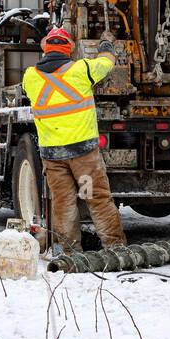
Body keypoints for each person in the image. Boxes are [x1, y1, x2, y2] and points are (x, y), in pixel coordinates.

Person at [22, 26, 126, 255]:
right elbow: (107, 63)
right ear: (69, 49)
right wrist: (106, 45)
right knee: (95, 198)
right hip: (83, 157)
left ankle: (69, 253)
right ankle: (115, 248)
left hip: (53, 157)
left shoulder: (30, 77)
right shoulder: (82, 70)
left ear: (44, 49)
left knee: (64, 202)